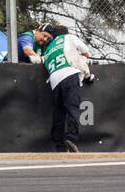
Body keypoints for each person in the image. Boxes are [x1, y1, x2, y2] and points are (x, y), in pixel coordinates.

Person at [34, 23, 91, 152]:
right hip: (69, 73)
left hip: (54, 79)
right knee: (72, 108)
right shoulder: (70, 38)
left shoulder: (48, 48)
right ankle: (71, 138)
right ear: (66, 32)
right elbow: (86, 53)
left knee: (58, 113)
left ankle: (59, 144)